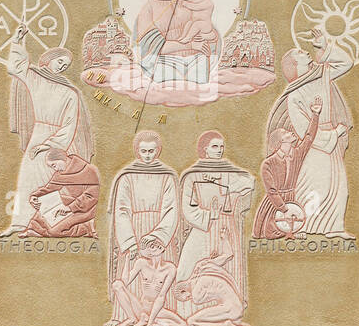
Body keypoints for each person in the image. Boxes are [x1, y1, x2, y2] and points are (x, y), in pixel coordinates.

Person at [1, 22, 94, 236]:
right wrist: (17, 41)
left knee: (53, 183)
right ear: (50, 59)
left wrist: (49, 146)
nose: (62, 66)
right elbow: (16, 67)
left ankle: (48, 228)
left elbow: (70, 124)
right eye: (60, 61)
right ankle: (19, 225)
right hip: (39, 132)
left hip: (57, 142)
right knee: (28, 179)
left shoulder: (70, 92)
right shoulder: (35, 78)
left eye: (66, 64)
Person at [266, 36, 353, 236]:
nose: (306, 51)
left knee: (339, 189)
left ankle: (334, 229)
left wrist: (325, 46)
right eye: (300, 52)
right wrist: (335, 133)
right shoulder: (295, 95)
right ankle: (303, 228)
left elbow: (347, 63)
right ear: (295, 64)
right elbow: (304, 129)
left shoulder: (322, 74)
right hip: (314, 148)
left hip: (330, 143)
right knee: (316, 187)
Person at [176, 130, 253, 306]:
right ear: (205, 149)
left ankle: (229, 303)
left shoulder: (229, 171)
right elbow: (187, 208)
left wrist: (232, 194)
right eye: (215, 146)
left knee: (227, 260)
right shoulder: (192, 175)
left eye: (221, 147)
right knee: (192, 260)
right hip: (204, 226)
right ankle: (190, 304)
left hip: (226, 227)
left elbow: (249, 182)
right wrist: (210, 215)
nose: (219, 150)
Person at [105, 131, 180, 305]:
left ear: (158, 151)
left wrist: (157, 237)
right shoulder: (127, 176)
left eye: (151, 151)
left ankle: (161, 316)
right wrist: (130, 242)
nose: (147, 155)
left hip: (159, 235)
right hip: (134, 230)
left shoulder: (166, 176)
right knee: (133, 274)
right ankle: (129, 315)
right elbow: (121, 210)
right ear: (137, 151)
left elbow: (171, 209)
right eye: (144, 151)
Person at [252, 98, 321, 239]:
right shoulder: (268, 163)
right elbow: (271, 191)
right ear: (281, 142)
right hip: (275, 204)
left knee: (291, 226)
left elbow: (309, 138)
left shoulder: (296, 154)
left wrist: (315, 115)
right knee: (273, 233)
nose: (290, 133)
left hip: (291, 199)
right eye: (286, 133)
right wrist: (284, 208)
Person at [22, 148, 100, 237]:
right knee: (46, 208)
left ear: (63, 159)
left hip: (86, 208)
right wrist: (34, 196)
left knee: (54, 231)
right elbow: (48, 188)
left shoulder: (88, 170)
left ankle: (88, 227)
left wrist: (70, 208)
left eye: (54, 165)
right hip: (72, 204)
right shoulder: (60, 173)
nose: (54, 169)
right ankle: (33, 229)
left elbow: (91, 196)